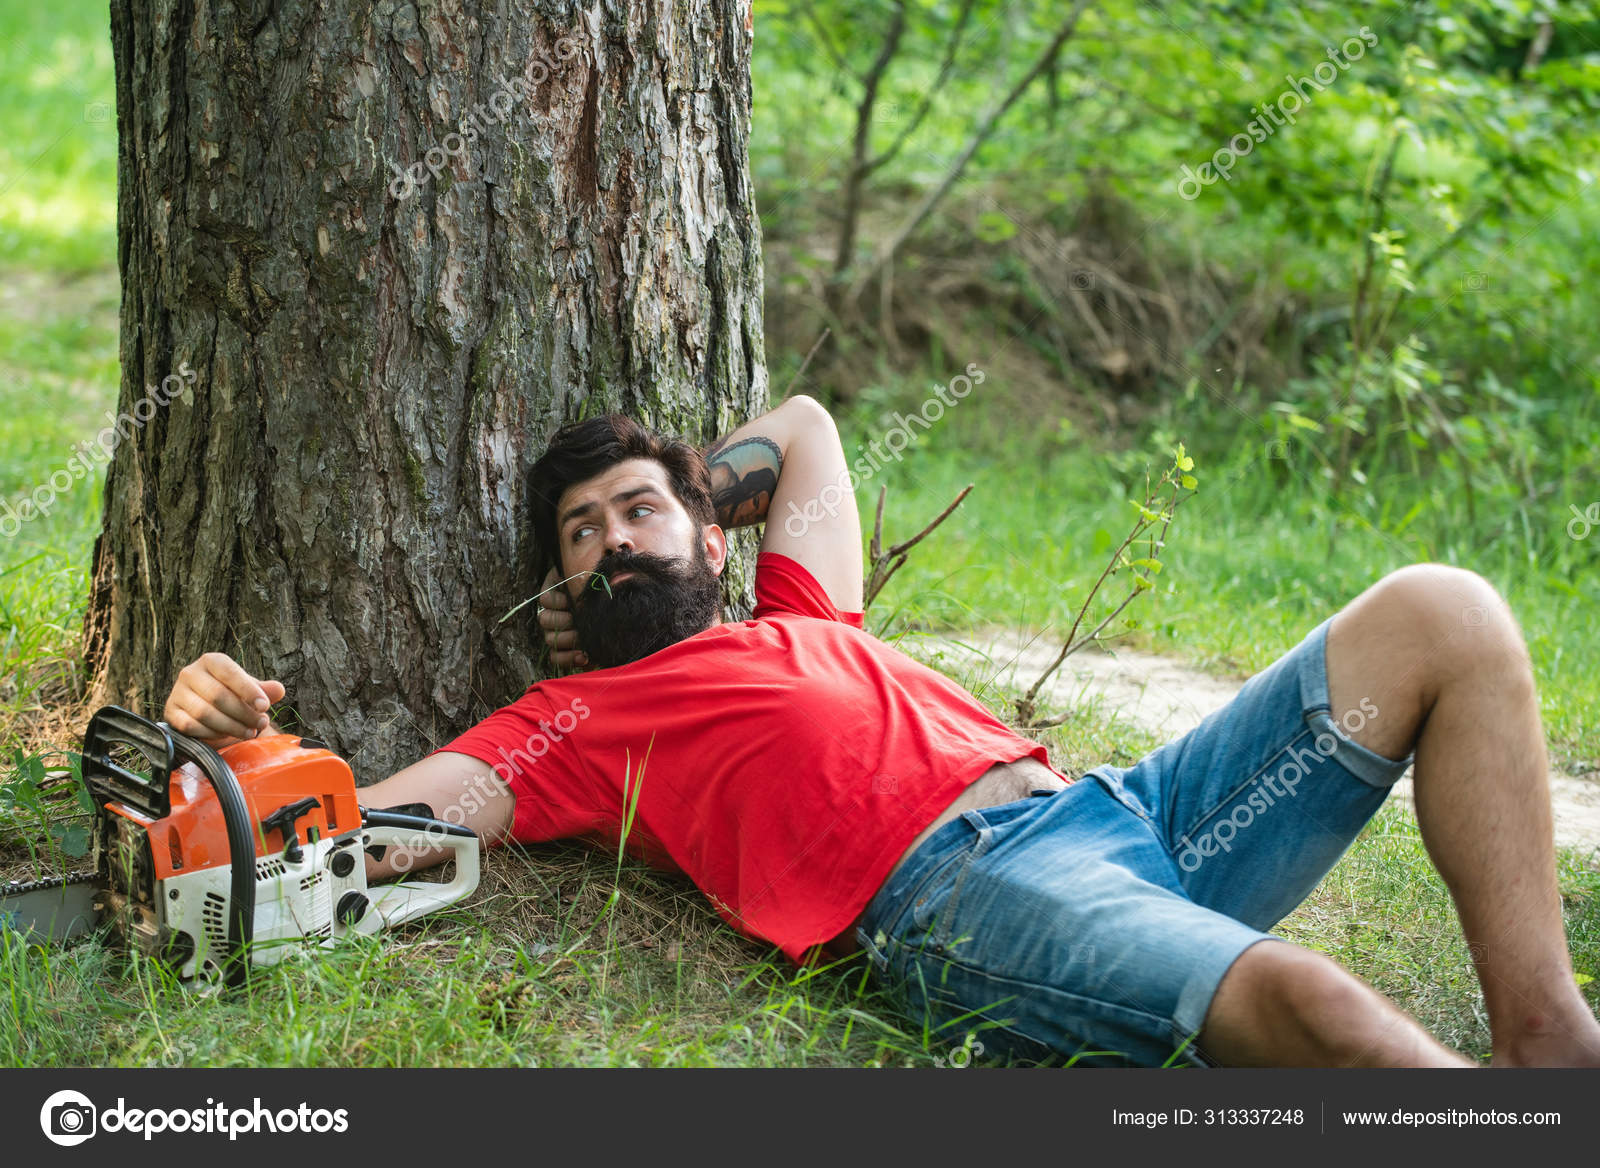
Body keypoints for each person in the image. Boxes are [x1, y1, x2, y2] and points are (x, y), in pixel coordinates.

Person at [161, 396, 1600, 1068]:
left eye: (640, 513)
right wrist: (223, 757)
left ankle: (1548, 1049)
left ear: (715, 538)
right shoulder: (574, 722)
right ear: (560, 590)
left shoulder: (803, 610)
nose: (612, 542)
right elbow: (367, 831)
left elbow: (804, 428)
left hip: (1134, 814)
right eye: (580, 536)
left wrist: (684, 501)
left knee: (1446, 610)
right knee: (1315, 1009)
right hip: (964, 895)